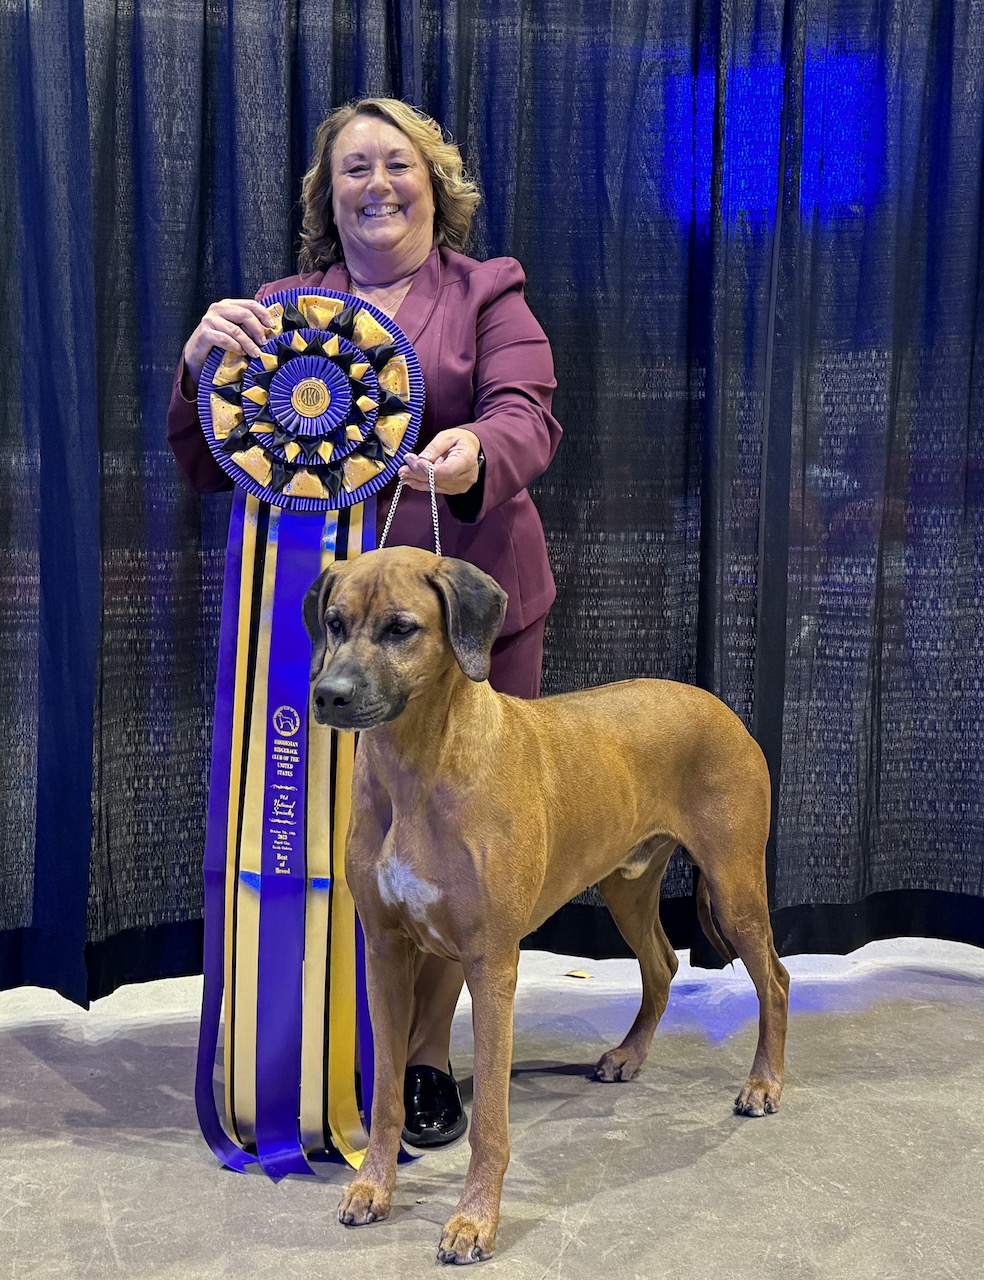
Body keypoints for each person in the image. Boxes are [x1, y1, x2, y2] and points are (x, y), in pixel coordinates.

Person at [167, 97, 562, 1148]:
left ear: (436, 183)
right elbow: (207, 458)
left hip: (463, 620)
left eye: (398, 164)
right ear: (326, 192)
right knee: (349, 851)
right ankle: (308, 1044)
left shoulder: (489, 289)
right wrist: (202, 363)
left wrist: (479, 446)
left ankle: (427, 1056)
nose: (376, 183)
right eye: (353, 168)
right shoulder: (281, 307)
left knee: (458, 860)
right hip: (333, 639)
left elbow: (529, 414)